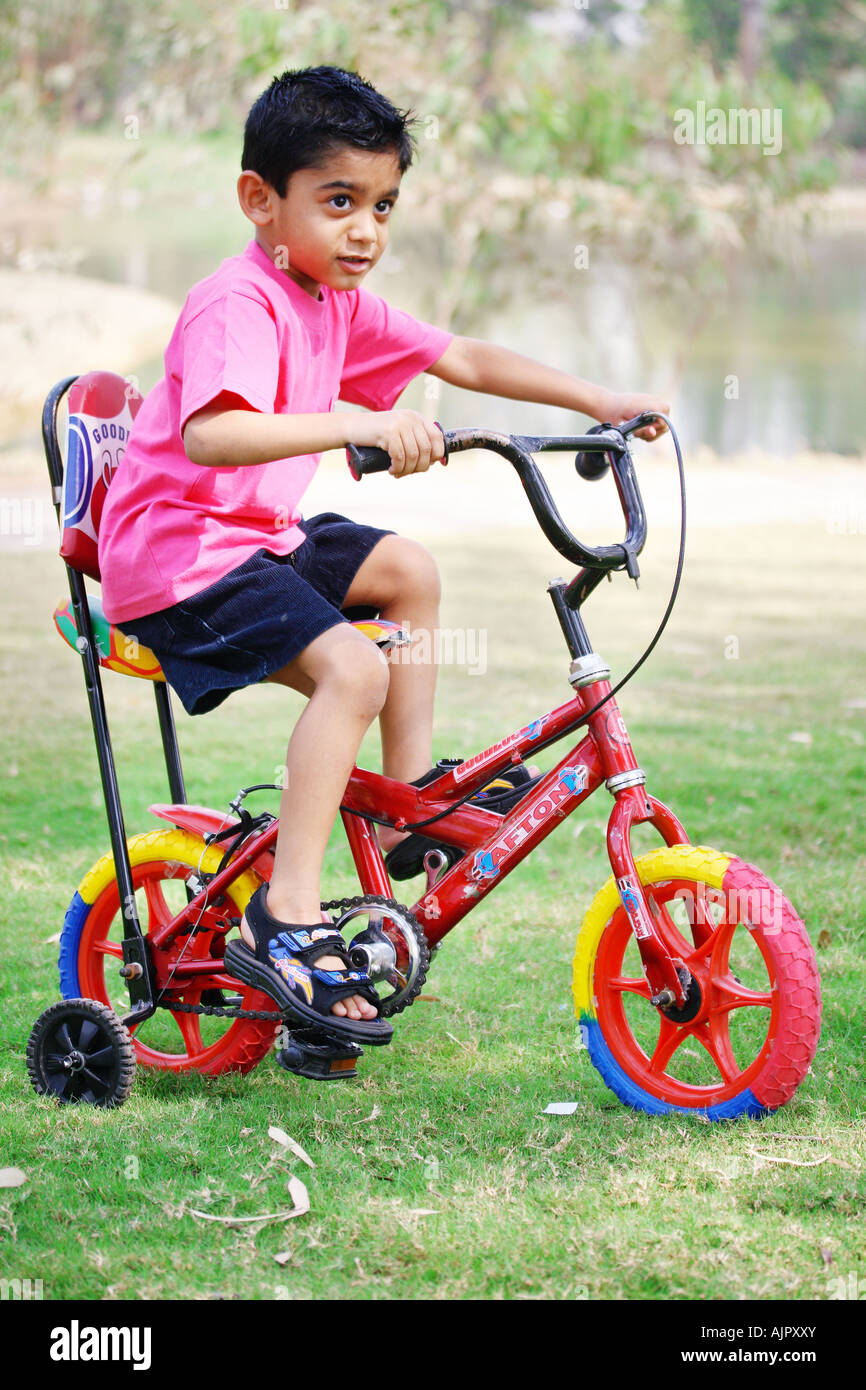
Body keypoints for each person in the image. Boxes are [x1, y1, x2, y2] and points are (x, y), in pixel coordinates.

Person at [97, 65, 669, 1048]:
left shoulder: (335, 300)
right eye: (338, 202)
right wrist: (359, 419)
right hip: (178, 559)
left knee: (407, 570)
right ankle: (286, 913)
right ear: (259, 201)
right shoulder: (236, 301)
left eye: (382, 205)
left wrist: (598, 403)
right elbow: (215, 437)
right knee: (353, 667)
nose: (364, 228)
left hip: (253, 540)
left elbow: (467, 360)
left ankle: (409, 807)